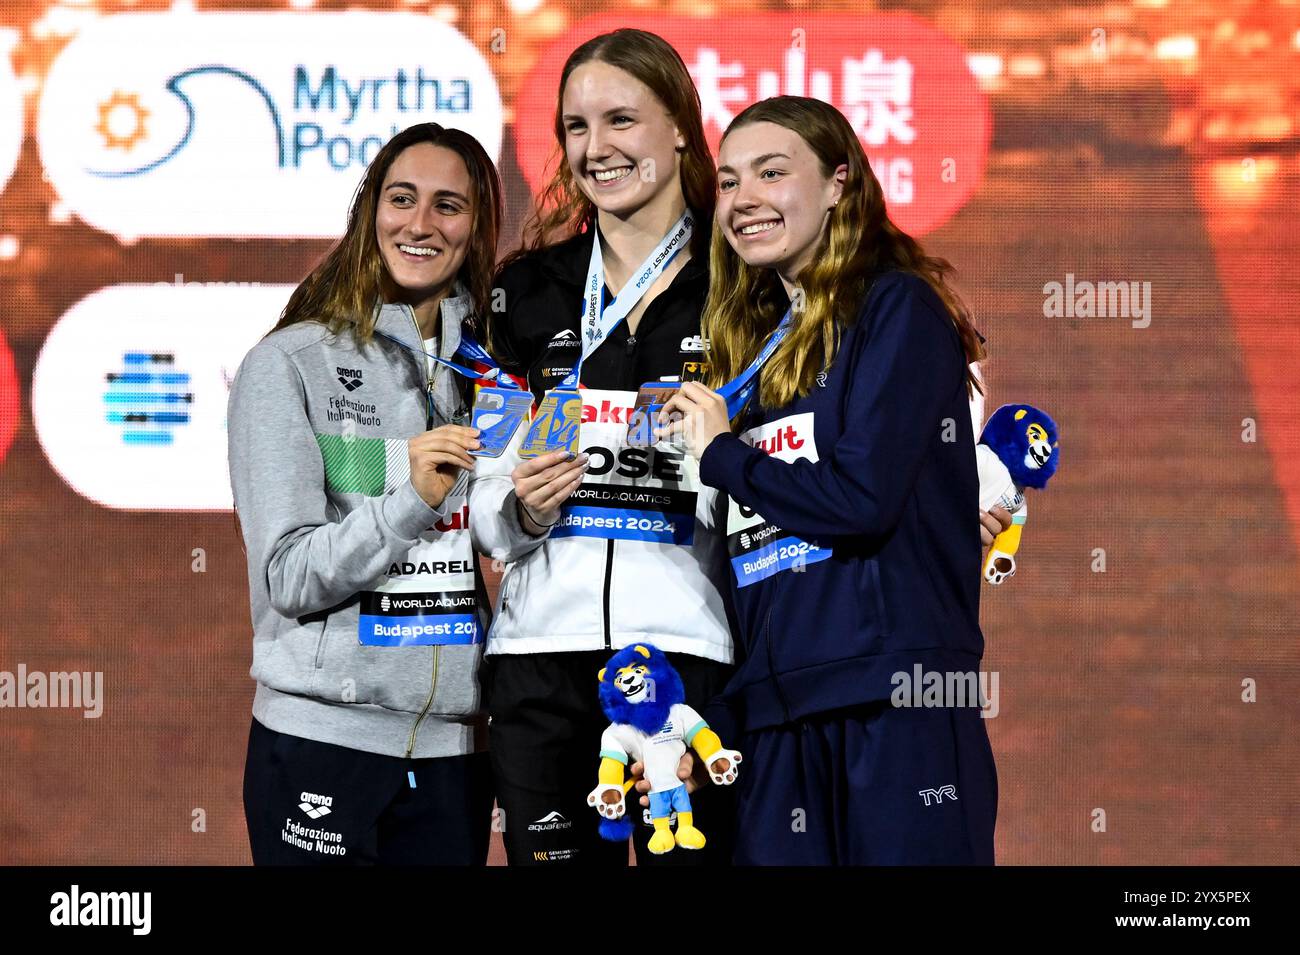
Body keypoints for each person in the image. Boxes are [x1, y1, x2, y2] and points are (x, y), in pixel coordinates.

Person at [657, 96, 999, 864]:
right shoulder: (756, 355)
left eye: (772, 174)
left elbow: (862, 499)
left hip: (893, 703)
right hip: (778, 719)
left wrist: (724, 455)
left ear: (839, 182)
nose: (744, 201)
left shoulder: (897, 307)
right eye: (733, 182)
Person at [228, 123, 541, 864]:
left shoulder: (492, 373)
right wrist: (410, 498)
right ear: (371, 212)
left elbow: (492, 538)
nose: (422, 224)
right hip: (322, 742)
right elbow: (288, 576)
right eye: (402, 199)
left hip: (456, 754)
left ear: (478, 227)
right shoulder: (289, 363)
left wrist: (529, 511)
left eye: (448, 206)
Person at [471, 28, 738, 866]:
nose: (596, 148)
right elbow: (486, 485)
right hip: (540, 659)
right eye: (576, 128)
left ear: (682, 129)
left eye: (621, 119)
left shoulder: (740, 287)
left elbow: (772, 477)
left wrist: (707, 469)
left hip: (687, 652)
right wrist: (517, 507)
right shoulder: (526, 291)